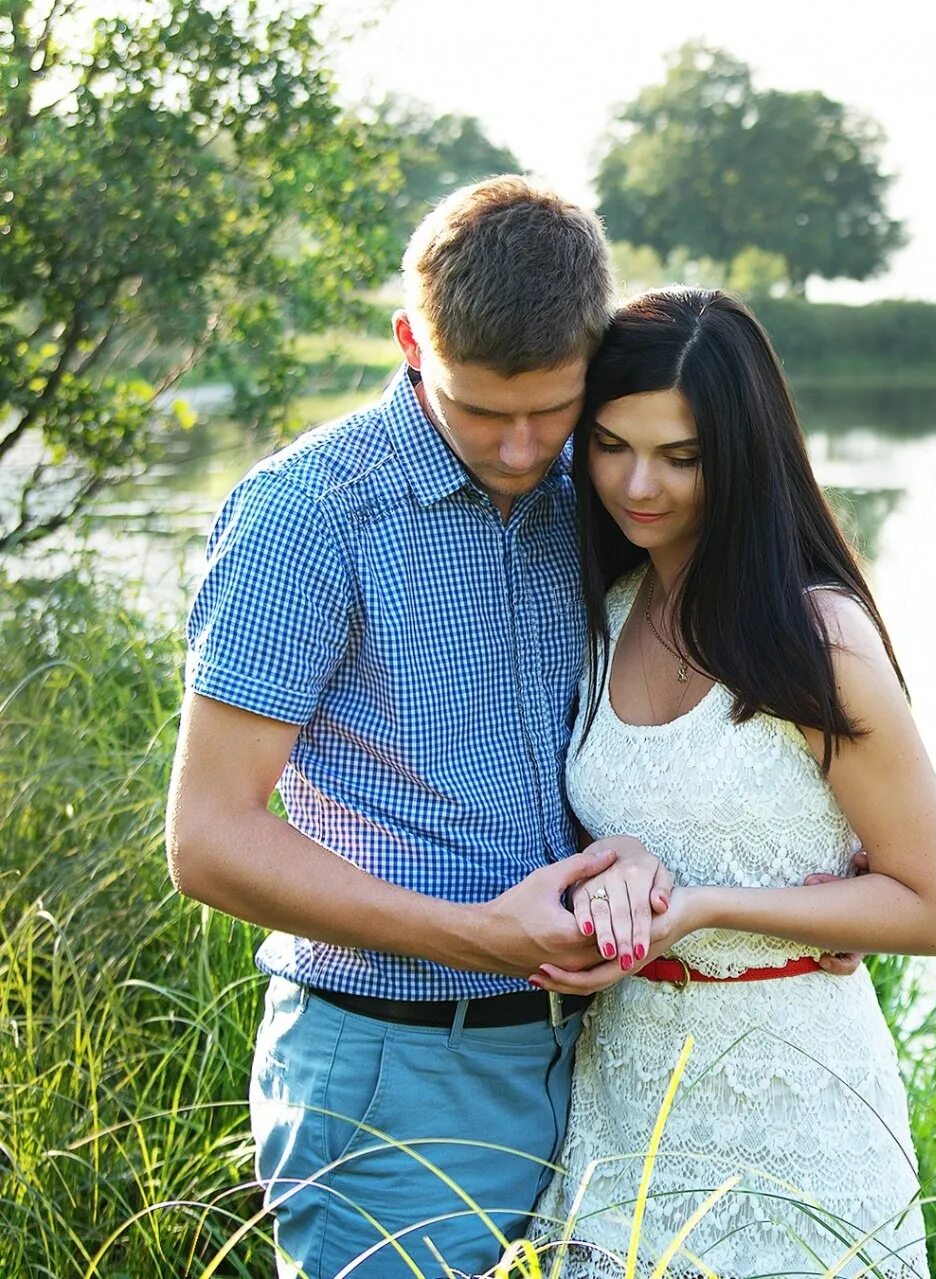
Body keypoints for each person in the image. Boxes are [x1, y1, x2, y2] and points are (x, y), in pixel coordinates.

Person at [164, 177, 688, 1277]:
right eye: (481, 409)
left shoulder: (591, 488)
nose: (518, 445)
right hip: (390, 1075)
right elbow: (207, 838)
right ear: (410, 342)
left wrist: (633, 851)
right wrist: (476, 937)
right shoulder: (306, 518)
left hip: (600, 1065)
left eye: (551, 407)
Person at [521, 289, 936, 1277]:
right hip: (624, 1099)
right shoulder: (606, 606)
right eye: (610, 444)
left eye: (683, 456)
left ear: (744, 452)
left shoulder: (818, 638)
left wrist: (704, 906)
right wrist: (621, 867)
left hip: (798, 1103)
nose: (640, 484)